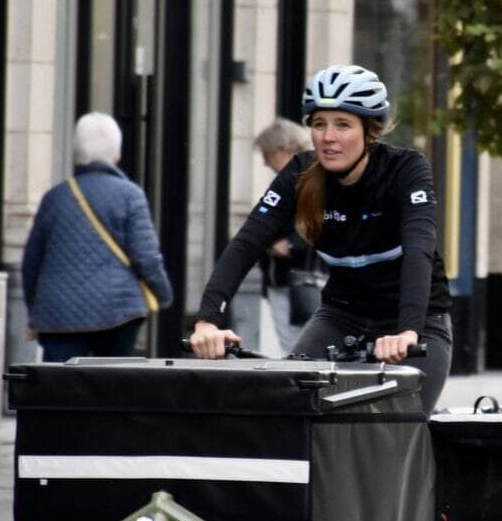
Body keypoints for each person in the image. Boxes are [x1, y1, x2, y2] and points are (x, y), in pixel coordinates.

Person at [189, 64, 454, 411]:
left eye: (342, 124)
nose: (328, 137)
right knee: (288, 408)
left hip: (417, 323)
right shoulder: (300, 172)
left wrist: (407, 330)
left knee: (396, 429)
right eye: (319, 124)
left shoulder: (405, 170)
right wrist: (208, 320)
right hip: (342, 316)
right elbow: (247, 243)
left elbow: (420, 250)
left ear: (370, 131)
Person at [22, 112, 174, 363]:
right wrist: (163, 294)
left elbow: (31, 263)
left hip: (59, 315)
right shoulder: (130, 195)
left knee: (59, 390)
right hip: (118, 310)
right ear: (117, 153)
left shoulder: (55, 197)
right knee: (110, 386)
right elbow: (147, 257)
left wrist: (36, 309)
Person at [227, 119, 321, 354]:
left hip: (296, 277)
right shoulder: (298, 180)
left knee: (294, 345)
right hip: (290, 277)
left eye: (268, 154)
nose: (265, 161)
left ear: (283, 150)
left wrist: (289, 243)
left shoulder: (304, 181)